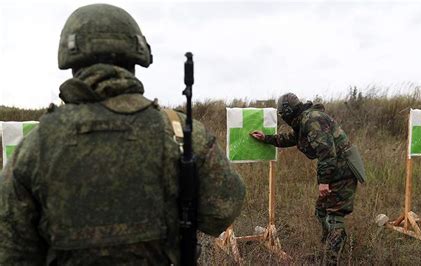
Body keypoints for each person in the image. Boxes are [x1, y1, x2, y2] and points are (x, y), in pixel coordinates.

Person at [0, 4, 245, 265]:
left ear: (71, 60)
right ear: (136, 57)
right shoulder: (180, 133)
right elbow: (222, 210)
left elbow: (12, 252)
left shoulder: (36, 146)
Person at [251, 93, 365, 264]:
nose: (283, 118)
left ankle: (330, 259)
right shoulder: (305, 120)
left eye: (282, 114)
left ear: (288, 112)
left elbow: (327, 152)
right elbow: (293, 138)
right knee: (321, 209)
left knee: (335, 215)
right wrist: (266, 138)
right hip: (337, 168)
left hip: (342, 171)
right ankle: (328, 248)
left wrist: (324, 181)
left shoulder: (311, 120)